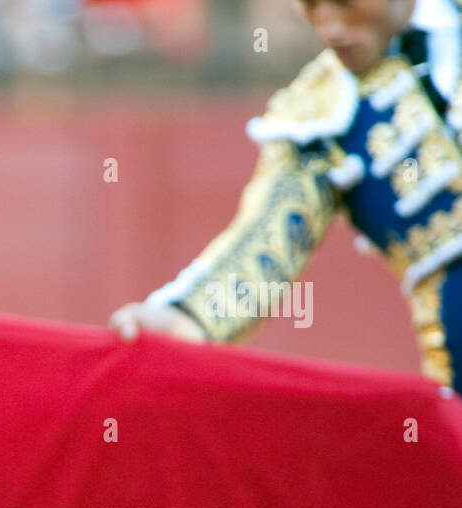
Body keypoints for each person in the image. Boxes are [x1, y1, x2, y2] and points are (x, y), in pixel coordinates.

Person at [111, 0, 462, 390]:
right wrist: (183, 316)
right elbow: (267, 238)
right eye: (310, 6)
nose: (329, 26)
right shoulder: (323, 114)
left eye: (344, 2)